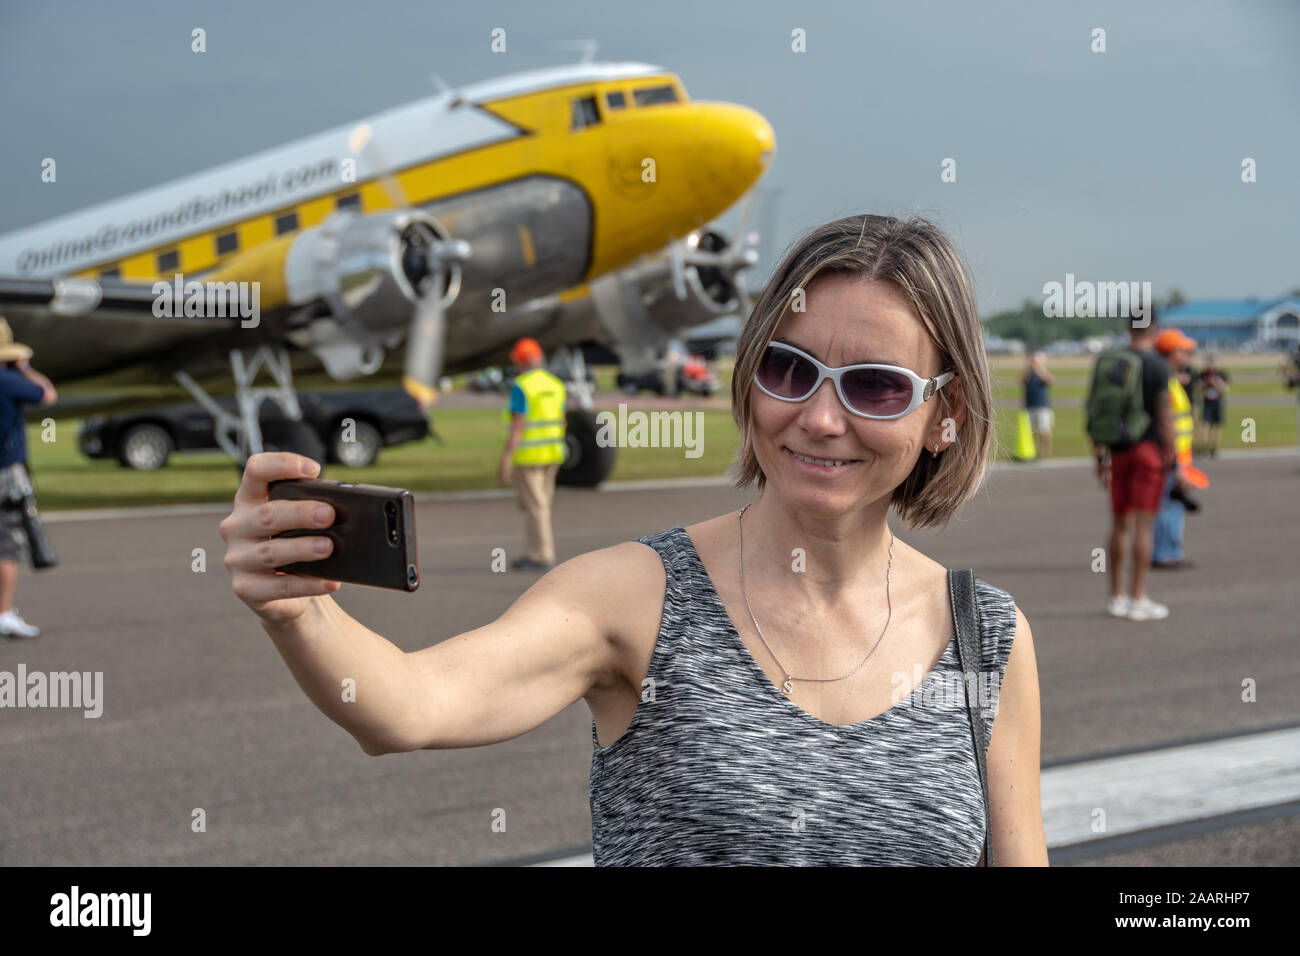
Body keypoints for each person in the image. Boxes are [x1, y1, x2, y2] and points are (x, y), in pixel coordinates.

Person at [219, 214, 1048, 866]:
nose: (820, 418)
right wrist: (300, 615)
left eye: (874, 385)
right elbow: (405, 707)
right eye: (788, 370)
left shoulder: (986, 637)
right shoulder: (637, 597)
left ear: (947, 416)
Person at [1086, 307, 1175, 621]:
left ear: (1128, 327)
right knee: (1144, 525)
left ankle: (1116, 597)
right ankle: (1139, 597)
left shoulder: (1112, 362)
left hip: (1117, 450)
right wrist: (1173, 454)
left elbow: (1096, 408)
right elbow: (1164, 415)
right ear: (1156, 328)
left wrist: (1100, 455)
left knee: (1119, 523)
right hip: (1148, 450)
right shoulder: (1157, 365)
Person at [0, 317, 57, 639]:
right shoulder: (8, 381)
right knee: (7, 543)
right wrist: (24, 369)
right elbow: (47, 395)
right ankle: (4, 612)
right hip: (6, 470)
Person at [498, 338, 567, 571]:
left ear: (519, 361)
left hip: (529, 456)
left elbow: (518, 425)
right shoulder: (555, 384)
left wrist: (506, 457)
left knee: (536, 507)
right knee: (541, 505)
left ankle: (542, 555)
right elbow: (562, 421)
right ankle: (532, 552)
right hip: (552, 454)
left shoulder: (522, 386)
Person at [1151, 329, 1199, 570]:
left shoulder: (1171, 380)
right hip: (1170, 457)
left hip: (1178, 455)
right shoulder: (1165, 383)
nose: (1188, 354)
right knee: (1167, 506)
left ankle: (1170, 550)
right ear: (1171, 353)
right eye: (1183, 350)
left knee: (1174, 505)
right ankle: (1164, 553)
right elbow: (1166, 423)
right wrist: (1175, 462)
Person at [1192, 354, 1230, 458]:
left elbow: (1226, 389)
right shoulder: (1203, 374)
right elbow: (1196, 388)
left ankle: (1213, 448)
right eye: (1209, 363)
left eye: (1213, 363)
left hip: (1217, 403)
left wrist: (1217, 383)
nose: (1211, 366)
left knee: (1216, 427)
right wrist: (1205, 383)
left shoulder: (1222, 374)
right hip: (1206, 403)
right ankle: (1200, 447)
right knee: (1203, 426)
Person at [1021, 351, 1055, 457]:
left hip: (1042, 406)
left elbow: (1050, 381)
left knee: (1044, 429)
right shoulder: (1029, 374)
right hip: (1030, 405)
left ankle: (1046, 450)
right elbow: (1022, 382)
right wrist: (1029, 370)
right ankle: (1033, 449)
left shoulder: (1042, 372)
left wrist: (1040, 370)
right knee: (1031, 431)